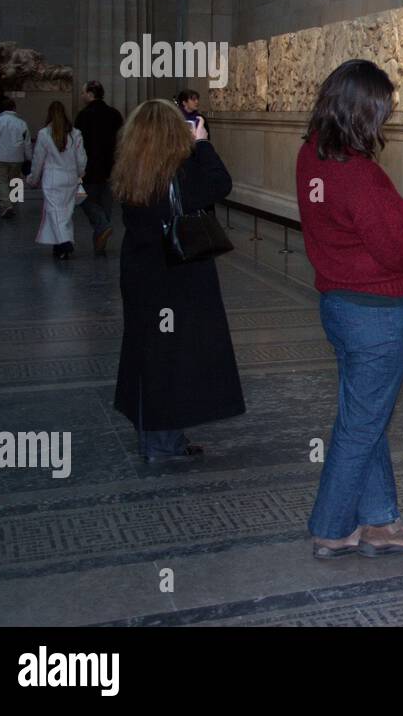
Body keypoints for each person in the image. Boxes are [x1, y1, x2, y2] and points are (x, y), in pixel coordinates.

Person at [296, 59, 403, 560]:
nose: (386, 121)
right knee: (361, 424)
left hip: (338, 305)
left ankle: (381, 520)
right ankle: (333, 526)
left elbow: (358, 215)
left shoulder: (313, 156)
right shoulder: (360, 174)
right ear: (364, 112)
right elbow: (400, 252)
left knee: (366, 417)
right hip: (376, 315)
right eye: (382, 111)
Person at [111, 99, 244, 463]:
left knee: (149, 351)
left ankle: (159, 434)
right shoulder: (181, 173)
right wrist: (202, 142)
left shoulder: (130, 170)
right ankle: (162, 442)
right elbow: (220, 184)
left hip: (141, 273)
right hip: (176, 275)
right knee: (173, 356)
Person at [27, 100, 86, 260]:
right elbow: (81, 158)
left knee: (54, 212)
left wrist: (33, 179)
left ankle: (64, 242)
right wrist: (80, 173)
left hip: (53, 179)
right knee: (66, 214)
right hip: (71, 177)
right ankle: (59, 246)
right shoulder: (76, 133)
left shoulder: (44, 134)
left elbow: (38, 159)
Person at [74, 79, 123, 253]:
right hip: (110, 166)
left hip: (89, 167)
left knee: (84, 200)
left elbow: (77, 144)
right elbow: (120, 141)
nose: (81, 96)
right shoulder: (115, 114)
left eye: (82, 92)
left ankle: (102, 228)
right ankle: (100, 243)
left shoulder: (82, 116)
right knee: (105, 205)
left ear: (90, 94)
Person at [0, 97, 31, 219]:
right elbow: (27, 143)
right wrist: (28, 157)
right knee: (16, 180)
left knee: (1, 181)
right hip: (17, 157)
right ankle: (14, 203)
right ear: (14, 108)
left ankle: (7, 205)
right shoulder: (22, 123)